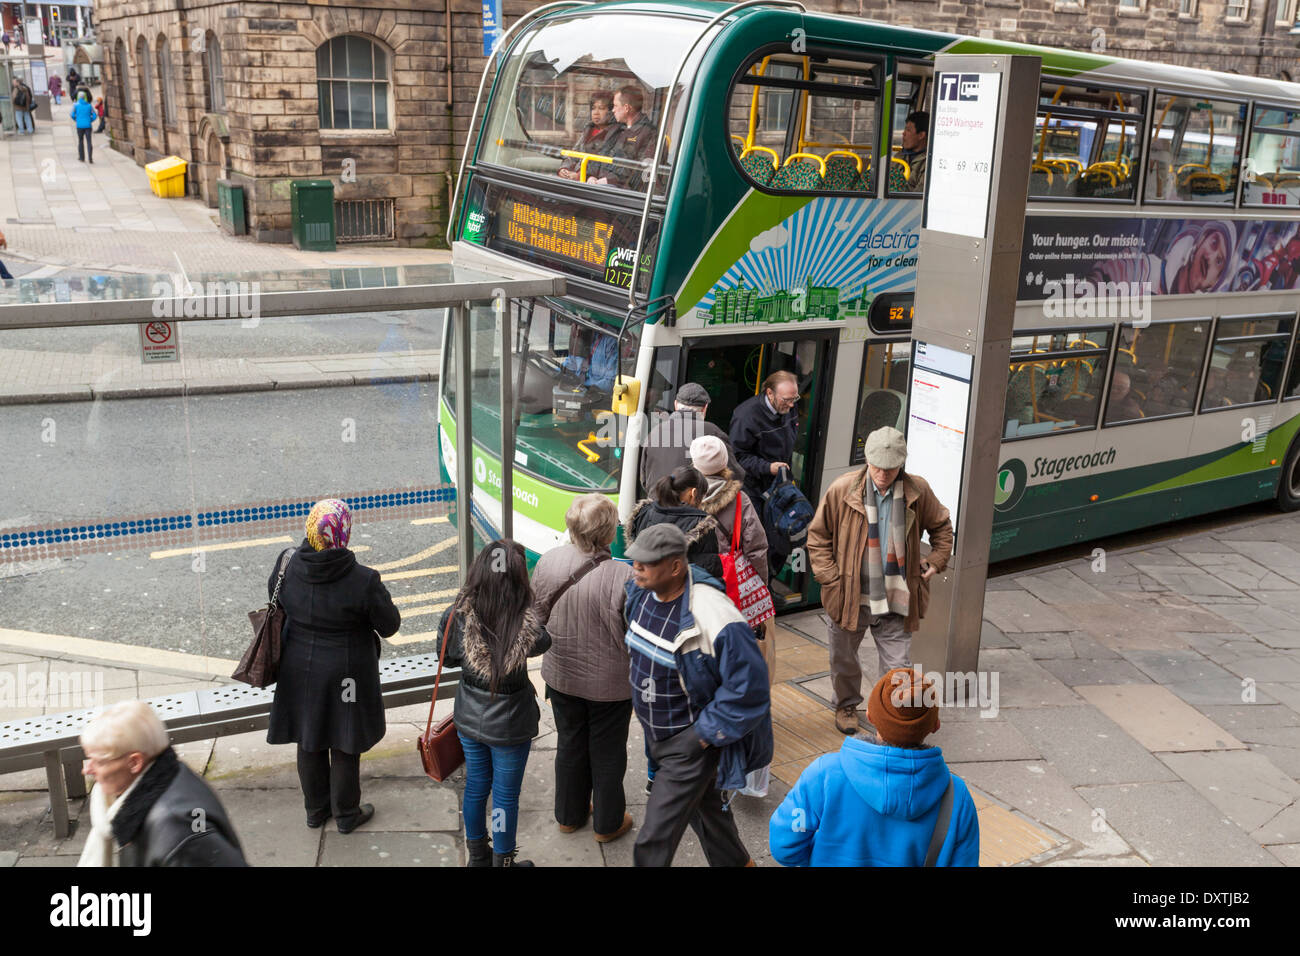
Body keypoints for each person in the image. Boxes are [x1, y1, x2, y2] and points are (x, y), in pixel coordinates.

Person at [622, 523, 772, 866]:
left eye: (646, 562)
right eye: (635, 561)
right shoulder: (641, 593)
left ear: (675, 566)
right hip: (658, 737)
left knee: (652, 840)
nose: (636, 568)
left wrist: (701, 738)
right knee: (707, 815)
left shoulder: (716, 615)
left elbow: (750, 688)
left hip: (687, 746)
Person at [807, 426, 953, 735]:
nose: (883, 474)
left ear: (901, 464)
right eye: (877, 466)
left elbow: (942, 527)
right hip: (849, 596)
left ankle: (888, 717)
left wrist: (937, 561)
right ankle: (846, 704)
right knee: (843, 660)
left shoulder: (918, 491)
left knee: (898, 669)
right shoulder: (843, 489)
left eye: (890, 468)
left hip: (896, 598)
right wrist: (830, 578)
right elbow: (818, 537)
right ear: (867, 461)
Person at [267, 499, 401, 835]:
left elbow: (277, 598)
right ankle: (346, 814)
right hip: (347, 672)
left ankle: (315, 812)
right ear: (344, 532)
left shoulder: (287, 564)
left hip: (298, 666)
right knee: (344, 741)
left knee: (308, 737)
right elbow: (389, 625)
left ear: (311, 529)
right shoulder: (363, 580)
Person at [769, 668, 979, 867]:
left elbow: (784, 846)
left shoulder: (825, 774)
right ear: (935, 725)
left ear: (869, 715)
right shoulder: (955, 796)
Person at [435, 540, 551, 867]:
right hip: (510, 725)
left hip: (469, 719)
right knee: (504, 797)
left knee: (475, 787)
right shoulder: (524, 623)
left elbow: (448, 659)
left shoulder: (457, 615)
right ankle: (503, 860)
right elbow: (545, 641)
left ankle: (477, 857)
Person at [534, 494, 635, 843]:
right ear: (608, 533)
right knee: (607, 752)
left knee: (570, 742)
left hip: (561, 676)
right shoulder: (625, 575)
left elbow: (536, 618)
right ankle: (607, 825)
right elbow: (633, 634)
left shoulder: (548, 562)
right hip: (611, 685)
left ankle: (568, 816)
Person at [78, 701, 247, 866]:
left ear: (134, 763)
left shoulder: (178, 831)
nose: (87, 770)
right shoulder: (169, 777)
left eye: (99, 762)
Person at [729, 369, 800, 576]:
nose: (792, 405)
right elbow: (738, 457)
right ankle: (762, 586)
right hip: (754, 487)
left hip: (781, 484)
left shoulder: (789, 408)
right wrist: (767, 467)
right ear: (770, 393)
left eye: (794, 398)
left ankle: (771, 576)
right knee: (762, 540)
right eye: (787, 399)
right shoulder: (746, 416)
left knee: (783, 537)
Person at [639, 382, 744, 494]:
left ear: (675, 405)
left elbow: (644, 479)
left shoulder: (655, 432)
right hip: (696, 509)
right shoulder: (712, 432)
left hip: (658, 507)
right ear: (705, 408)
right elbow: (736, 476)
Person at [626, 465, 724, 581]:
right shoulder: (701, 525)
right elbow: (709, 571)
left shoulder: (644, 512)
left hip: (646, 589)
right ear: (693, 493)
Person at [588, 84, 656, 188]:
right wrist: (591, 176)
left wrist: (609, 181)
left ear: (626, 108)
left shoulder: (648, 133)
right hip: (600, 185)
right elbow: (601, 154)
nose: (613, 110)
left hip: (621, 192)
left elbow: (640, 172)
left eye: (615, 106)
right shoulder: (616, 129)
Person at [557, 91, 620, 181]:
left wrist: (580, 176)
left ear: (611, 111)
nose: (596, 113)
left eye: (601, 108)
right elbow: (574, 154)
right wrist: (564, 169)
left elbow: (602, 165)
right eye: (593, 108)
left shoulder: (616, 134)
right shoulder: (588, 129)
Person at [898, 110, 928, 190]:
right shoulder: (900, 155)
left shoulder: (928, 163)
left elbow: (917, 196)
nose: (903, 133)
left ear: (921, 135)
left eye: (908, 130)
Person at [71, 88, 95, 163]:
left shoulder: (76, 105)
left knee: (80, 141)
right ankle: (90, 158)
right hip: (88, 126)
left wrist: (76, 120)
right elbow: (94, 115)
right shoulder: (89, 106)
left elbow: (72, 115)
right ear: (85, 97)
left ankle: (81, 157)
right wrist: (90, 120)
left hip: (79, 126)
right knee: (89, 141)